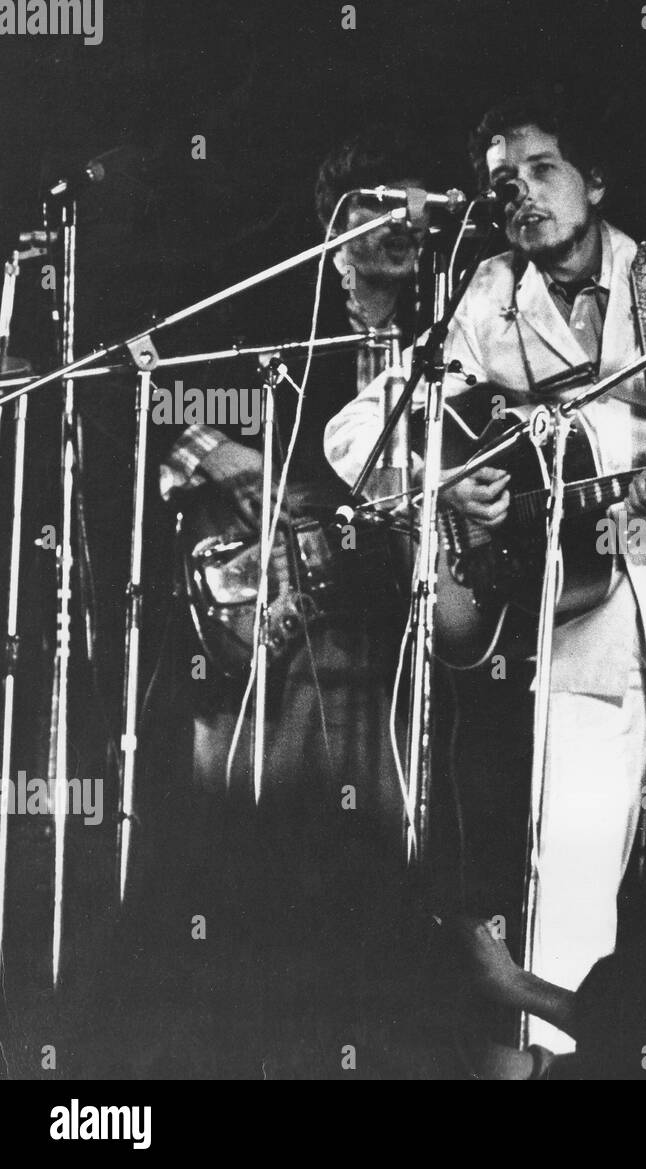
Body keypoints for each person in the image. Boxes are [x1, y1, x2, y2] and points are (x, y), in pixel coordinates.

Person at [326, 97, 646, 1053]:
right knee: (567, 891)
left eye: (540, 170)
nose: (519, 195)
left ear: (595, 181)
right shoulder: (491, 297)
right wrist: (449, 488)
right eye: (502, 182)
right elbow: (354, 435)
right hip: (578, 625)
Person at [159, 128, 432, 846]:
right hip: (260, 620)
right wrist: (218, 452)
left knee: (369, 842)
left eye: (412, 205)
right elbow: (158, 396)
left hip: (381, 628)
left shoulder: (445, 332)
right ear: (335, 224)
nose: (402, 220)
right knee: (250, 841)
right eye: (377, 205)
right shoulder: (274, 316)